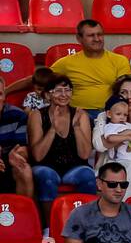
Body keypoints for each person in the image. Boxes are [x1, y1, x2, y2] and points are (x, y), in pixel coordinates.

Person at [27, 73, 96, 223]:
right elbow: (38, 156)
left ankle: (87, 225)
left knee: (88, 175)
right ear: (47, 95)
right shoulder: (37, 115)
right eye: (58, 90)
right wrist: (52, 129)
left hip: (75, 166)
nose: (64, 95)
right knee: (46, 176)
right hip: (45, 165)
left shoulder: (80, 114)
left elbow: (85, 155)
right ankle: (49, 227)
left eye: (68, 90)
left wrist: (77, 127)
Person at [50, 19, 131, 113]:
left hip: (111, 113)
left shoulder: (120, 60)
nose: (97, 39)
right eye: (91, 35)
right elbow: (41, 79)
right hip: (78, 113)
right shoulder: (66, 63)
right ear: (79, 38)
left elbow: (126, 90)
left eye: (99, 34)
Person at [92, 94, 131, 198]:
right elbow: (110, 138)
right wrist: (127, 137)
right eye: (118, 114)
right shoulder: (111, 126)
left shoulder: (129, 125)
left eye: (125, 115)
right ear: (109, 114)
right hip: (123, 159)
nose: (122, 117)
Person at [0, 77, 34, 200]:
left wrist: (18, 156)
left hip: (8, 160)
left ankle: (25, 214)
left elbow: (22, 147)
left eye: (0, 94)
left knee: (24, 169)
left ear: (4, 96)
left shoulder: (18, 115)